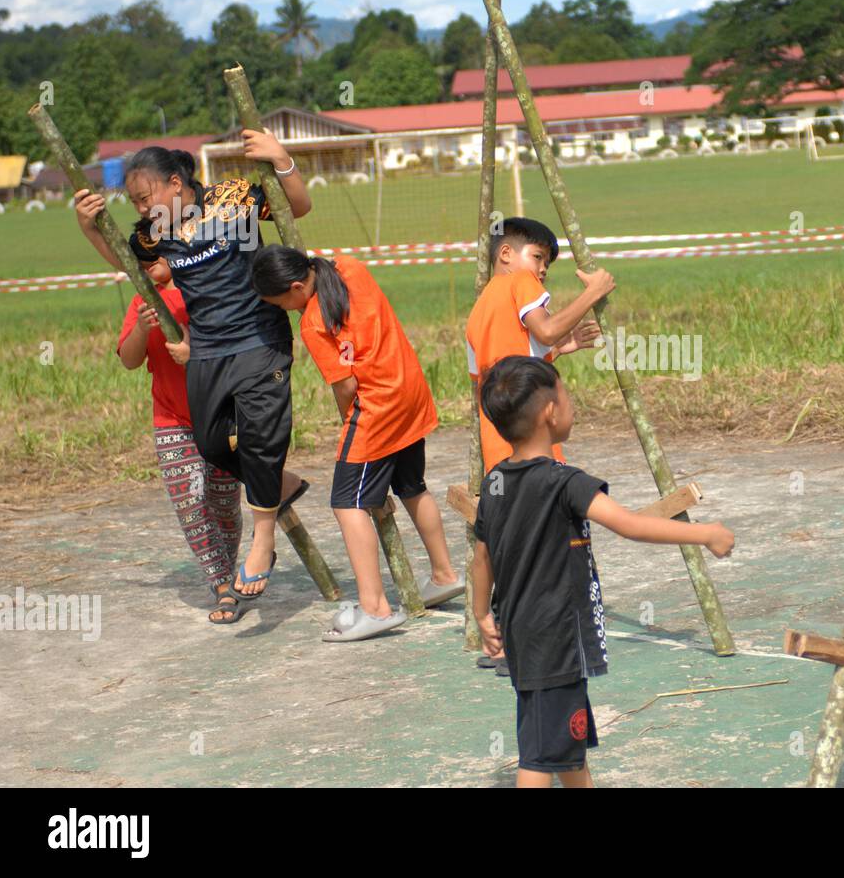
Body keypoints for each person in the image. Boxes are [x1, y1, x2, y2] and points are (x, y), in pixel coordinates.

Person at [470, 355, 734, 787]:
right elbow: (629, 525)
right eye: (565, 392)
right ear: (550, 412)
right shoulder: (565, 482)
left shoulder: (495, 482)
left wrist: (482, 613)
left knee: (566, 749)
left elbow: (482, 558)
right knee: (539, 757)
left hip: (524, 635)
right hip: (556, 641)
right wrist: (705, 534)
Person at [74, 136, 312, 607]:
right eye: (135, 203)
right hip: (207, 350)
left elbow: (299, 207)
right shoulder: (154, 233)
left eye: (146, 198)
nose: (141, 209)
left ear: (176, 182)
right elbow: (130, 265)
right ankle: (278, 482)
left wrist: (281, 160)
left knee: (261, 440)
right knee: (210, 444)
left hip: (260, 340)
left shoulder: (232, 198)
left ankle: (262, 543)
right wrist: (89, 228)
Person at [252, 247, 464, 641]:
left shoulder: (313, 323)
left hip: (377, 409)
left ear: (297, 287)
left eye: (281, 303)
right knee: (411, 486)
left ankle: (375, 608)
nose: (284, 310)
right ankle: (445, 574)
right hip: (411, 392)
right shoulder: (350, 268)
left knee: (347, 502)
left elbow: (345, 386)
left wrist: (347, 422)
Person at [464, 216, 608, 671]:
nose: (542, 269)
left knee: (511, 541)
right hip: (531, 440)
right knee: (549, 542)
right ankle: (532, 645)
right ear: (506, 255)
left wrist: (559, 350)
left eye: (547, 263)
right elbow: (542, 331)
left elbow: (501, 372)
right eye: (539, 257)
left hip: (498, 438)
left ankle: (502, 641)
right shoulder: (519, 282)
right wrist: (592, 293)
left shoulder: (478, 311)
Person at [117, 257, 245, 624]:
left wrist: (195, 353)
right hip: (171, 417)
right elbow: (128, 360)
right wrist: (141, 329)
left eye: (156, 254)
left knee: (225, 509)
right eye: (141, 259)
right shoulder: (143, 299)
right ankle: (222, 585)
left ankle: (230, 566)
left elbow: (235, 349)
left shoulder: (208, 287)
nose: (149, 263)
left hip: (221, 414)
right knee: (190, 500)